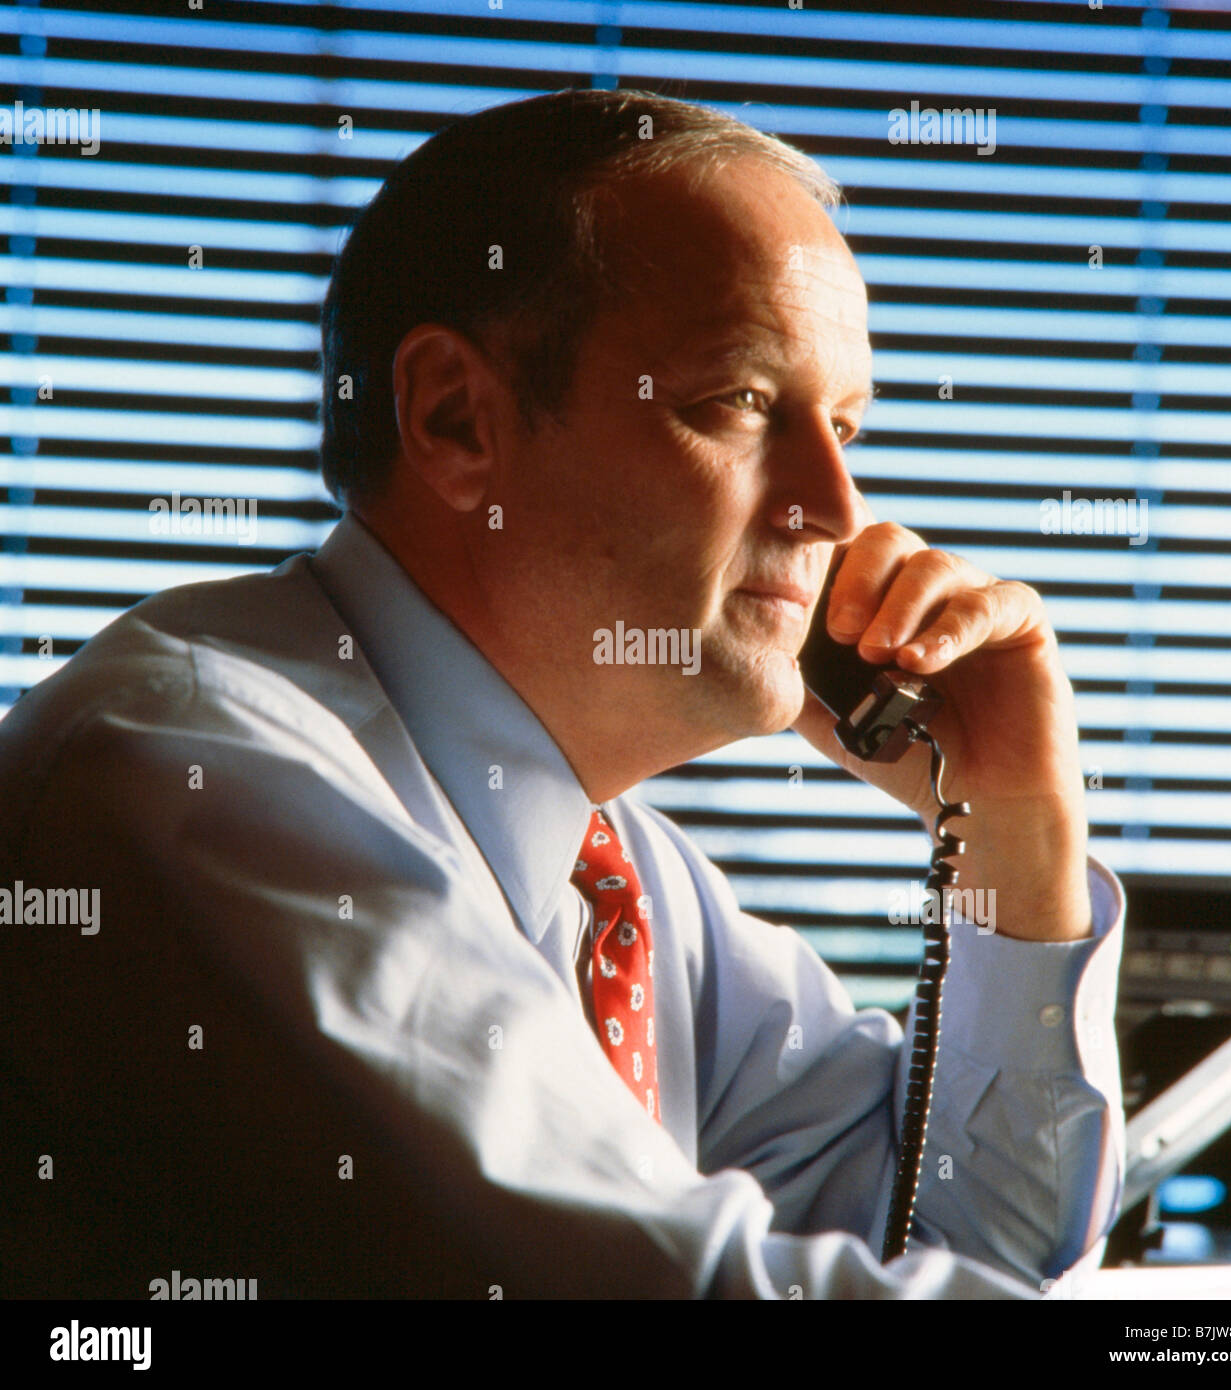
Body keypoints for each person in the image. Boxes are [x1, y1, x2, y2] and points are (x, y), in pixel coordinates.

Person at [0, 89, 1124, 1299]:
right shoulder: (196, 776)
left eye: (845, 426)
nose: (836, 510)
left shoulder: (632, 884)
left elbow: (984, 1247)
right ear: (452, 417)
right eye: (738, 402)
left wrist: (1014, 821)